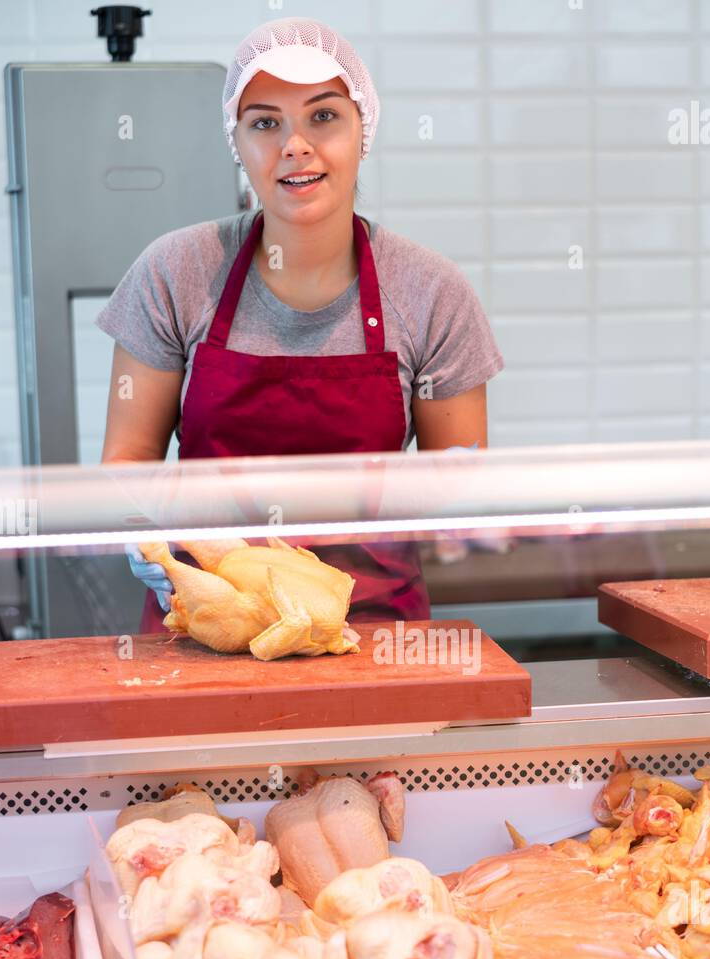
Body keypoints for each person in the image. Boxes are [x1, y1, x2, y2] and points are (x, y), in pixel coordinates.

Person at [97, 16, 504, 632]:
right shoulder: (175, 271)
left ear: (362, 129)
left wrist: (458, 500)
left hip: (370, 630)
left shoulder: (430, 291)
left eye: (323, 116)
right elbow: (128, 460)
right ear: (237, 142)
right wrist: (145, 538)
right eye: (265, 123)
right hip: (208, 618)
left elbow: (456, 486)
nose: (295, 145)